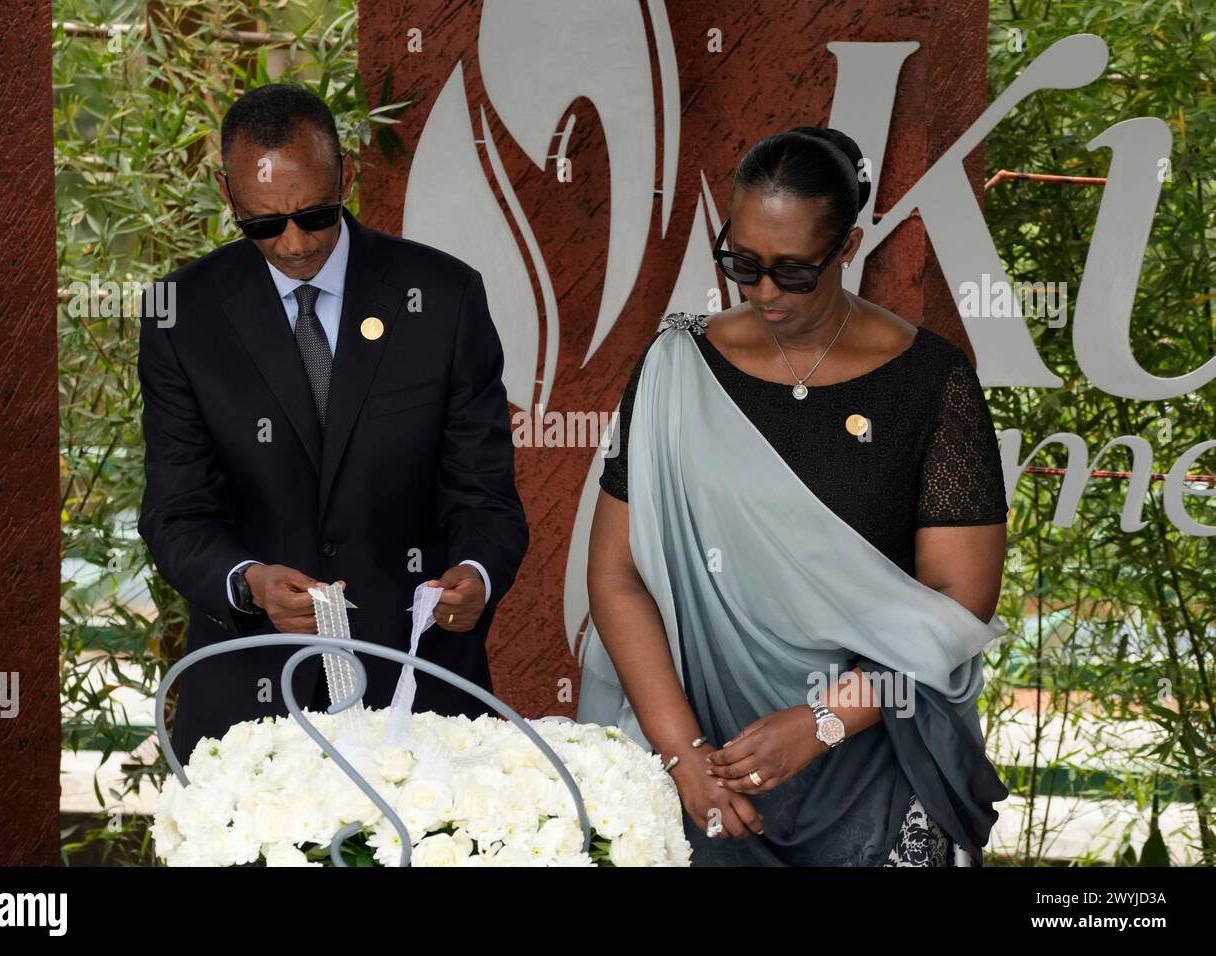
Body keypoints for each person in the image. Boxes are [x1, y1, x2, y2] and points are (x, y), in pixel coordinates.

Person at [578, 127, 1010, 866]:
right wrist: (684, 757)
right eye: (741, 262)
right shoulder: (676, 368)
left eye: (793, 271)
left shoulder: (930, 382)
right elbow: (618, 575)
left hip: (875, 763)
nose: (763, 292)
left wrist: (824, 722)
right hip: (705, 764)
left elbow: (958, 601)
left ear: (848, 247)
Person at [137, 84, 528, 761]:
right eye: (263, 224)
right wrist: (248, 580)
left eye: (314, 214)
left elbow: (486, 496)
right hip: (247, 701)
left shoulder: (443, 297)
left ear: (345, 173)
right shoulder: (181, 314)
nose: (292, 243)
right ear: (229, 200)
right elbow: (176, 514)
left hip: (420, 692)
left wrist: (476, 572)